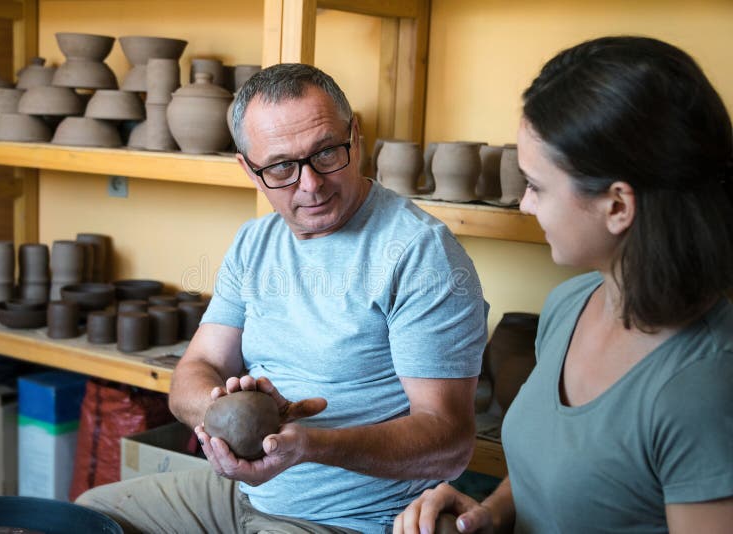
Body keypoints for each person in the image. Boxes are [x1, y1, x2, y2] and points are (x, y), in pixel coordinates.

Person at [76, 63, 488, 533]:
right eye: (281, 167)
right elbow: (192, 372)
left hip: (352, 517)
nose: (310, 184)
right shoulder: (255, 243)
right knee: (92, 516)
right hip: (246, 492)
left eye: (326, 152)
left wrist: (309, 446)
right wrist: (228, 411)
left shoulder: (419, 254)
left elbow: (450, 440)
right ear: (248, 169)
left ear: (355, 137)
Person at [393, 35, 733, 534]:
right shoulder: (570, 304)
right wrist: (491, 513)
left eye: (536, 185)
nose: (526, 205)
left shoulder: (703, 388)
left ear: (617, 206)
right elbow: (556, 475)